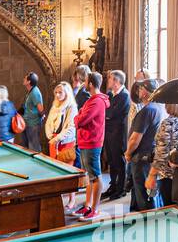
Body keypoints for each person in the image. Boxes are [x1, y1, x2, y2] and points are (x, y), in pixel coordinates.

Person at [126, 77, 164, 211]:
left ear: (145, 92)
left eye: (141, 88)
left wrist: (128, 153)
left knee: (144, 195)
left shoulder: (147, 110)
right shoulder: (159, 107)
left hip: (142, 158)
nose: (138, 91)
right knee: (144, 193)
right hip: (149, 157)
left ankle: (147, 224)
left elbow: (135, 139)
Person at [74, 71, 108, 218]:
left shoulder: (97, 101)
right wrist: (80, 114)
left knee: (96, 176)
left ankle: (95, 208)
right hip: (85, 141)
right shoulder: (91, 99)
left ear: (91, 84)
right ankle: (87, 205)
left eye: (86, 81)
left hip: (91, 142)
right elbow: (81, 114)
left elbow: (80, 120)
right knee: (88, 176)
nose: (84, 83)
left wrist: (77, 117)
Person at [149, 102, 178, 207]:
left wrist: (151, 175)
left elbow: (161, 152)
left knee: (168, 207)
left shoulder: (167, 123)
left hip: (167, 173)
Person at [103, 70, 131, 201]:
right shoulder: (110, 94)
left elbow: (111, 113)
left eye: (110, 79)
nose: (108, 81)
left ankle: (121, 189)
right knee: (112, 161)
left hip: (118, 134)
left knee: (119, 162)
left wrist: (107, 113)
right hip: (109, 132)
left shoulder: (125, 95)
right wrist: (107, 113)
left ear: (116, 82)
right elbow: (106, 111)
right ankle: (113, 185)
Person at [44, 80, 78, 165]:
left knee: (66, 169)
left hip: (65, 142)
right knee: (54, 167)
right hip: (53, 141)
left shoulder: (71, 107)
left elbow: (71, 127)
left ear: (67, 93)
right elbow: (48, 122)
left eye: (60, 92)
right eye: (55, 92)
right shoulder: (55, 105)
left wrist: (57, 138)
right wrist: (49, 135)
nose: (57, 95)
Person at [21, 72, 44, 152]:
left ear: (29, 82)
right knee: (27, 148)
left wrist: (39, 121)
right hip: (27, 123)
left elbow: (41, 109)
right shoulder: (30, 91)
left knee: (34, 148)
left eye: (25, 78)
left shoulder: (35, 92)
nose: (23, 79)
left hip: (33, 124)